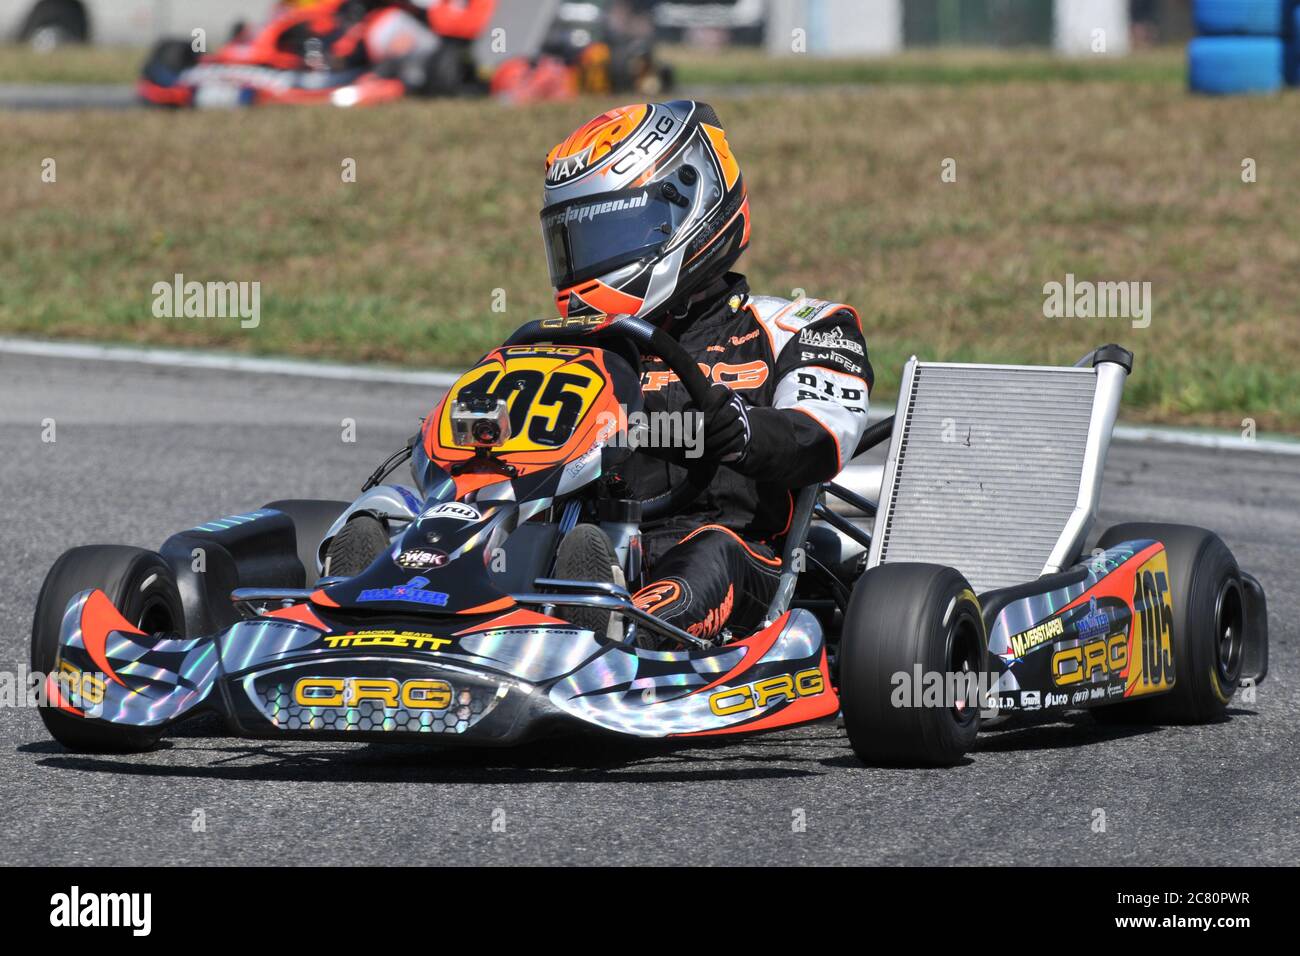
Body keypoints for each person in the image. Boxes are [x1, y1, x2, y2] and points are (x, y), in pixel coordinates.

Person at [539, 101, 872, 645]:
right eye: (577, 243)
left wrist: (742, 431)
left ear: (689, 213)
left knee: (710, 552)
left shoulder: (800, 326)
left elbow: (821, 436)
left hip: (739, 555)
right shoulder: (573, 348)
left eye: (614, 234)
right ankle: (389, 595)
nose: (588, 264)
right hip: (593, 545)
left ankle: (617, 636)